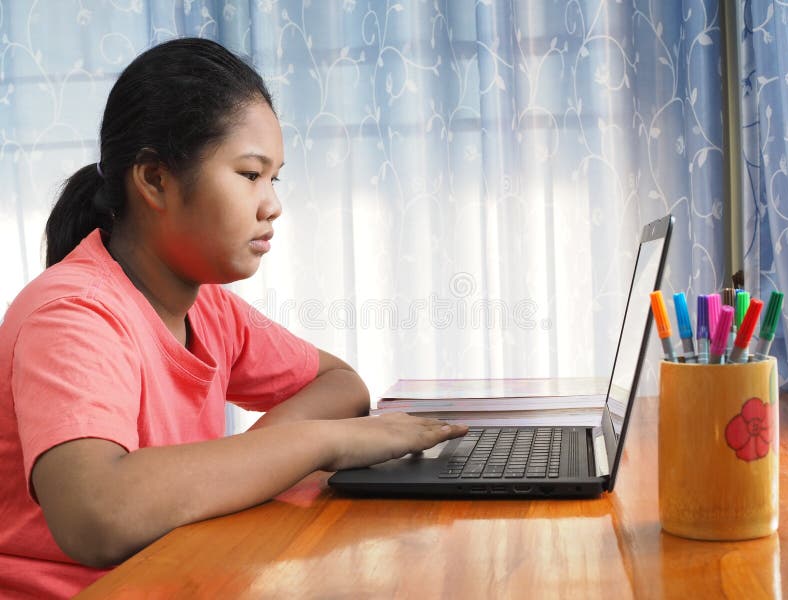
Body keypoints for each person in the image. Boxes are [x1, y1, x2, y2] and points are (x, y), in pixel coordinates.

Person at [0, 37, 467, 598]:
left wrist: (251, 467)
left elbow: (340, 383)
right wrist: (318, 446)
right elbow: (96, 515)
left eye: (276, 179)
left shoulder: (209, 306)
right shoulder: (73, 315)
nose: (272, 205)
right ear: (154, 180)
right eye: (250, 175)